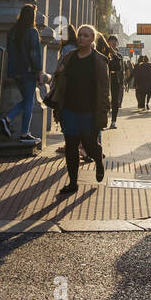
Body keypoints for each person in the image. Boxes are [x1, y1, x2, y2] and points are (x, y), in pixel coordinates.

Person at [47, 23, 109, 195]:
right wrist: (59, 73)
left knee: (90, 145)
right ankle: (73, 183)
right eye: (80, 34)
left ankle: (98, 159)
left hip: (90, 111)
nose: (81, 37)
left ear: (92, 39)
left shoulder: (99, 61)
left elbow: (104, 88)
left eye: (86, 35)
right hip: (69, 109)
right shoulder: (69, 58)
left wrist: (104, 110)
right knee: (71, 146)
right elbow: (59, 82)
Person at [0, 3, 44, 145]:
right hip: (28, 72)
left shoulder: (12, 32)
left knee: (26, 100)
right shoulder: (32, 32)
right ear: (32, 16)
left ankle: (9, 121)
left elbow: (10, 53)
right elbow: (35, 53)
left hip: (16, 72)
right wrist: (39, 71)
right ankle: (23, 132)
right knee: (29, 102)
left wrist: (10, 71)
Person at [104, 35, 124, 128]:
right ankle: (104, 120)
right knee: (105, 100)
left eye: (115, 42)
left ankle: (113, 121)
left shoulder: (119, 56)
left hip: (116, 80)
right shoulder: (104, 53)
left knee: (115, 101)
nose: (113, 43)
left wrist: (122, 83)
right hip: (106, 79)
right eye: (112, 41)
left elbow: (121, 69)